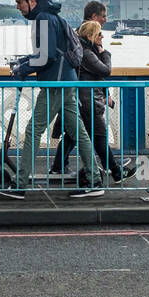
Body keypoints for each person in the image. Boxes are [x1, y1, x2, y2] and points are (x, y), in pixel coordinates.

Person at [0, 0, 103, 199]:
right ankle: (94, 180)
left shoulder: (43, 19)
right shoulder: (51, 17)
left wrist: (23, 69)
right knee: (79, 132)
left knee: (33, 131)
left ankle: (19, 184)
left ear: (32, 1)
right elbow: (48, 53)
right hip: (66, 81)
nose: (18, 7)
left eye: (20, 2)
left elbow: (46, 57)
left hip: (55, 84)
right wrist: (25, 62)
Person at [49, 20, 136, 182]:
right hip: (88, 102)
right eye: (99, 34)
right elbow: (105, 70)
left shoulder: (80, 49)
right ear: (90, 36)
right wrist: (105, 54)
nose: (102, 36)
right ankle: (116, 172)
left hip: (80, 100)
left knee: (73, 135)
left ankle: (57, 167)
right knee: (100, 136)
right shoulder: (87, 53)